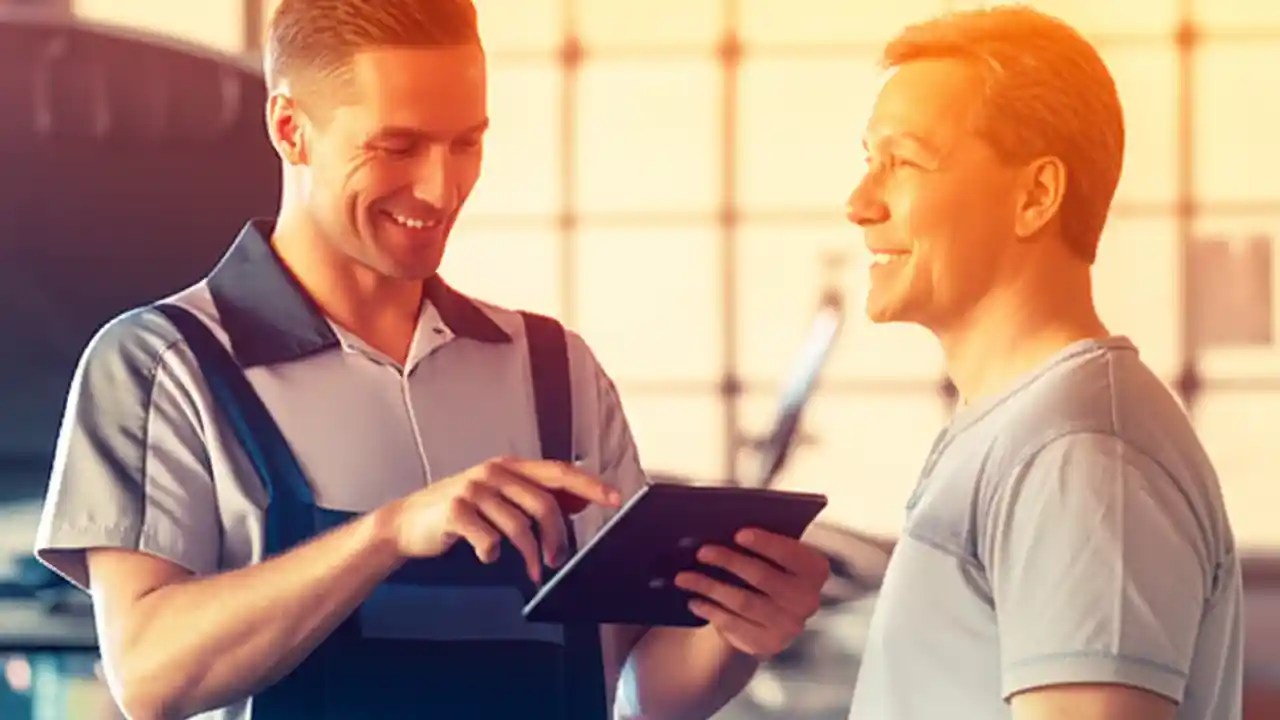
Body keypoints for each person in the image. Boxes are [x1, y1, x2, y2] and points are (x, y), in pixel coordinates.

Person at [31, 1, 830, 718]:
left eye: (466, 143)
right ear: (289, 127)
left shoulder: (557, 371)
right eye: (398, 145)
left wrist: (738, 632)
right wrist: (387, 535)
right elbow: (150, 675)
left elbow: (637, 692)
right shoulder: (162, 366)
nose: (441, 189)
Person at [843, 6, 1241, 720]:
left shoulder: (1079, 457)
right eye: (868, 162)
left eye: (903, 162)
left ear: (1036, 195)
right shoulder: (1020, 427)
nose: (860, 204)